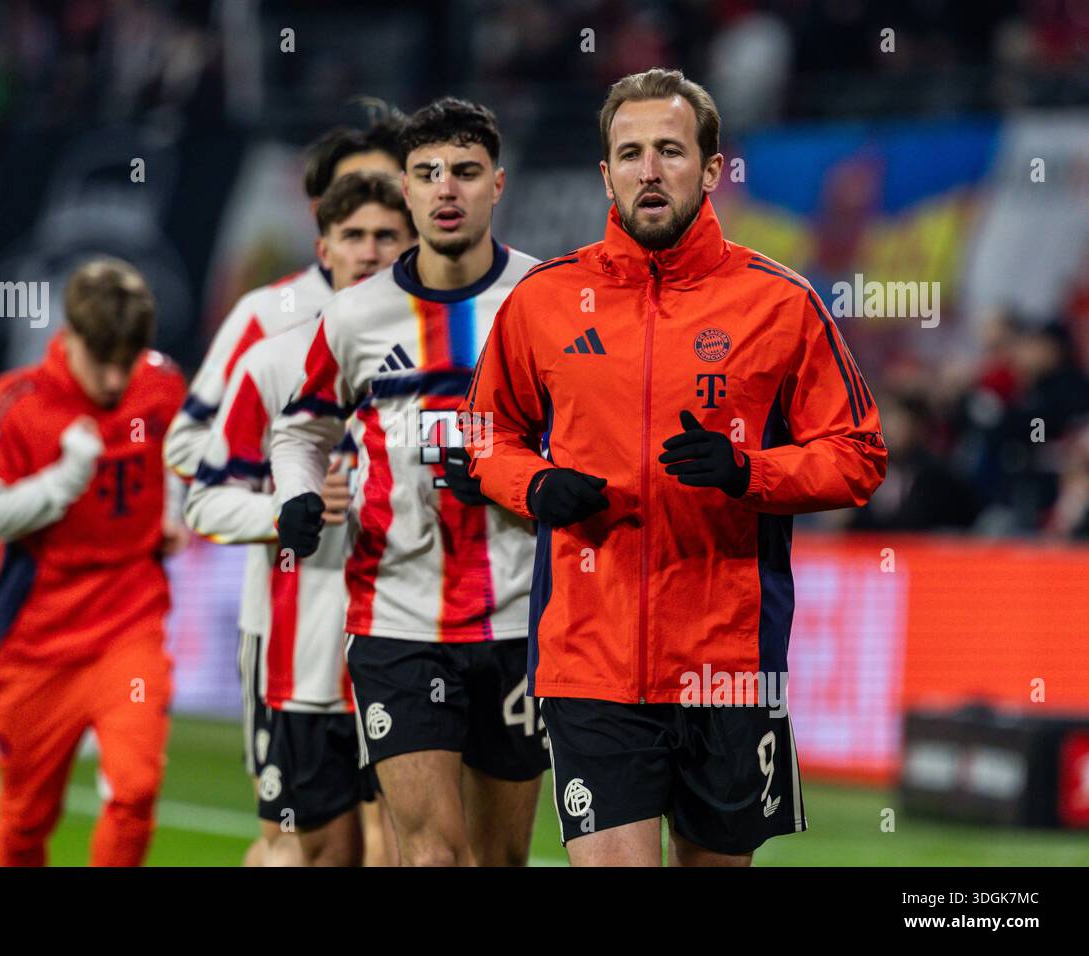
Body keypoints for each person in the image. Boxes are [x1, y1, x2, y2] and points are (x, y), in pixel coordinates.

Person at [466, 68, 888, 866]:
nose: (649, 171)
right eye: (630, 154)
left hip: (730, 662)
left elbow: (858, 456)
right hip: (587, 656)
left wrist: (748, 473)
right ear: (606, 173)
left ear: (712, 168)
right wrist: (534, 483)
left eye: (669, 150)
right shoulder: (545, 300)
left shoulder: (782, 302)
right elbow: (485, 434)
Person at [272, 98, 547, 867]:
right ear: (407, 189)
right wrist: (296, 493)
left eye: (464, 172)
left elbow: (585, 435)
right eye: (427, 174)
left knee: (500, 859)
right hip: (396, 618)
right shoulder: (357, 315)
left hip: (520, 619)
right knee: (431, 857)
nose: (446, 190)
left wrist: (528, 475)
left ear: (498, 183)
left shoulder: (546, 300)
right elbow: (301, 426)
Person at [165, 111, 405, 868]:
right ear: (323, 225)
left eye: (385, 209)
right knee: (304, 843)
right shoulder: (268, 319)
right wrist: (287, 486)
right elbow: (187, 446)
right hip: (293, 617)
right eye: (351, 208)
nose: (368, 234)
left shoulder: (442, 326)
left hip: (411, 621)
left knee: (397, 838)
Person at [0, 258, 187, 866]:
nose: (116, 380)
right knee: (26, 818)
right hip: (39, 640)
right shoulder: (18, 401)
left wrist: (176, 508)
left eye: (128, 360)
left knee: (136, 788)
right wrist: (63, 481)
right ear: (70, 338)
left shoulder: (162, 383)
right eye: (104, 360)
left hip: (129, 621)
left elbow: (186, 452)